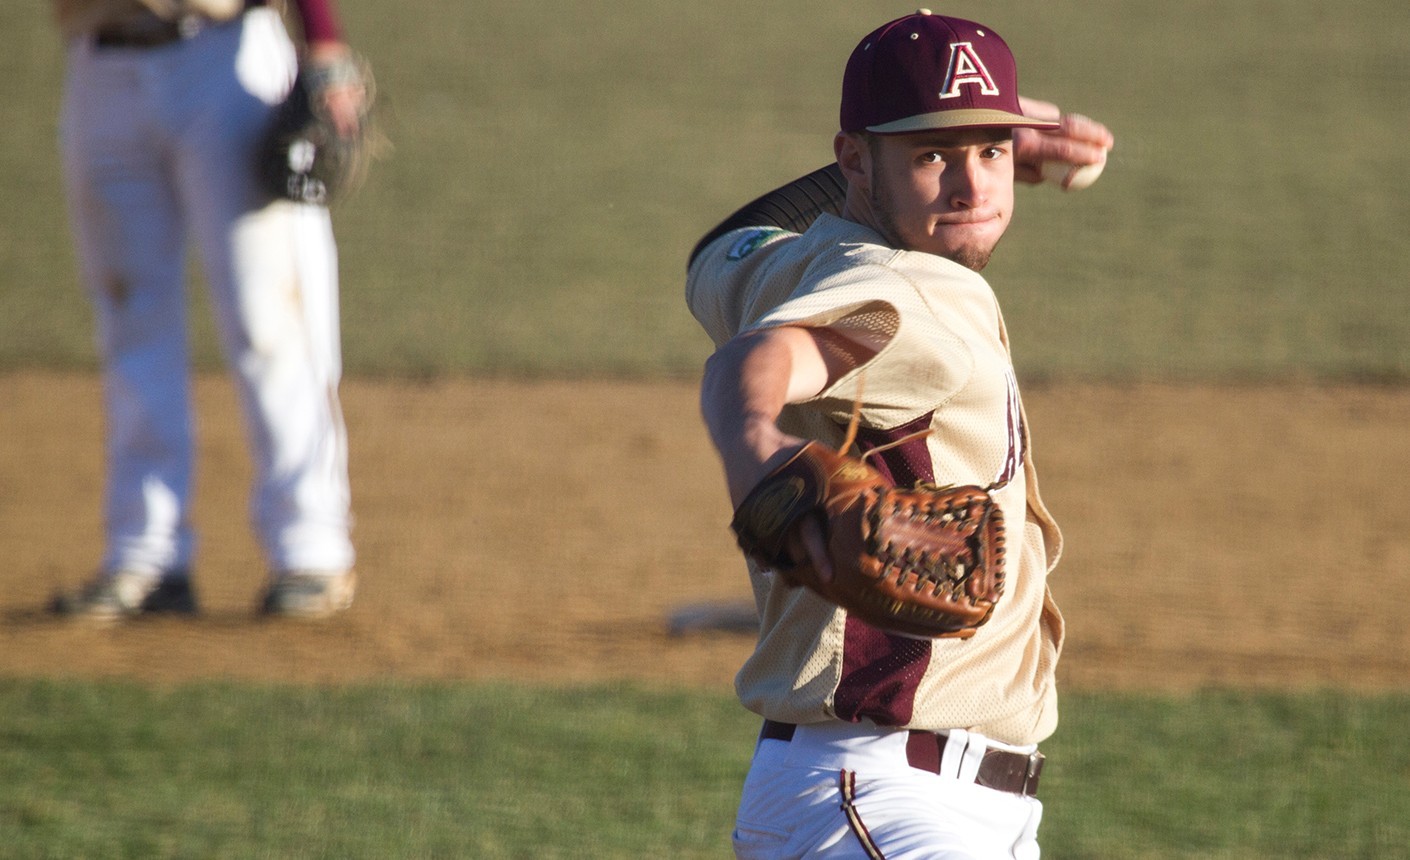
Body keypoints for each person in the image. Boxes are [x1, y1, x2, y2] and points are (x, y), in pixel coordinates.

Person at [687, 10, 1114, 858]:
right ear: (853, 160)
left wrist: (930, 146)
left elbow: (721, 245)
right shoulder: (913, 293)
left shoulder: (789, 263)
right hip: (886, 798)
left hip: (868, 796)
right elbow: (753, 363)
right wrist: (754, 446)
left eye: (991, 150)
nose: (971, 187)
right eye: (932, 156)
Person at [49, 0, 366, 621]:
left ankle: (311, 549)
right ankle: (147, 556)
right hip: (97, 63)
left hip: (221, 55)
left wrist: (323, 39)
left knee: (270, 316)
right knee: (129, 314)